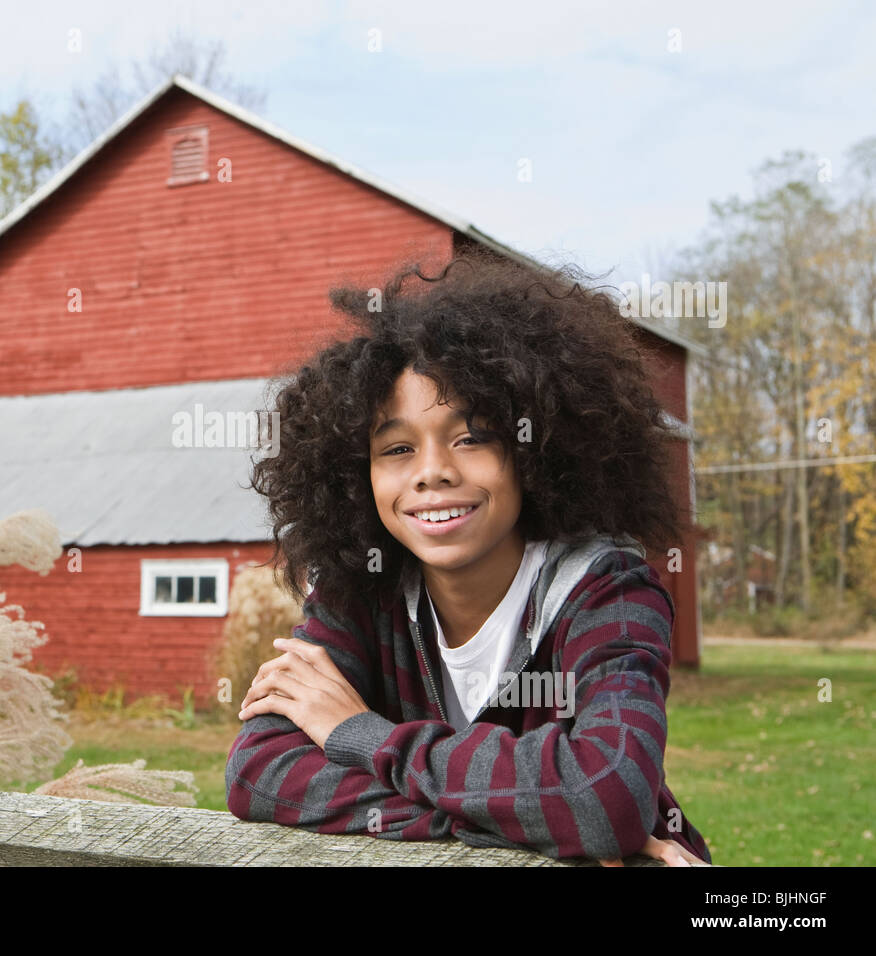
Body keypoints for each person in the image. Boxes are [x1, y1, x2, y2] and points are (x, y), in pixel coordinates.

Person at [226, 251, 713, 865]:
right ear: (359, 475)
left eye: (472, 437)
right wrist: (526, 824)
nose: (432, 472)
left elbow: (603, 796)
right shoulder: (360, 589)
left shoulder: (608, 592)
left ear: (534, 451)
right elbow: (259, 774)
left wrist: (359, 735)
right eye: (397, 447)